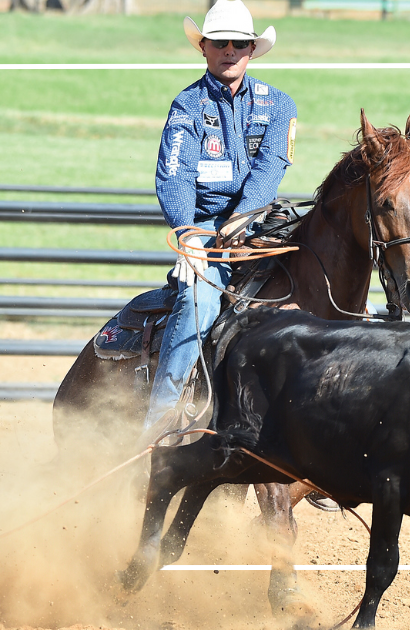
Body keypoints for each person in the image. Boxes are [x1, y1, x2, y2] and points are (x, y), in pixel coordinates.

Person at [141, 0, 298, 443]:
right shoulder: (187, 106)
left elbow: (270, 169)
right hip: (204, 226)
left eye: (240, 43)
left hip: (260, 222)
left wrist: (245, 218)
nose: (230, 50)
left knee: (325, 272)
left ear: (252, 50)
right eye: (220, 43)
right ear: (204, 49)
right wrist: (189, 235)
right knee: (201, 302)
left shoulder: (279, 105)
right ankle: (159, 421)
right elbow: (175, 174)